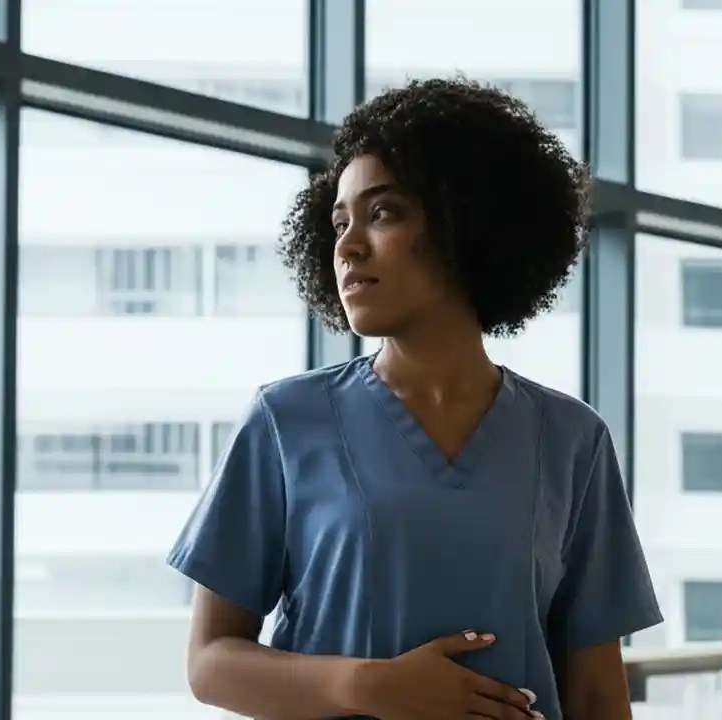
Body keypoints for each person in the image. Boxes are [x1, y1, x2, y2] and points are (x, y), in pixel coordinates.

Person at [167, 78, 662, 720]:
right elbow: (210, 665)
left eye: (383, 213)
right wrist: (368, 686)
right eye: (340, 220)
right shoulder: (286, 422)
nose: (346, 245)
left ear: (467, 223)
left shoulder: (572, 440)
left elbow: (598, 694)